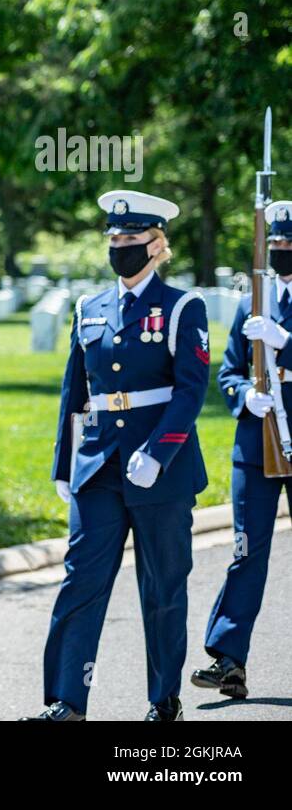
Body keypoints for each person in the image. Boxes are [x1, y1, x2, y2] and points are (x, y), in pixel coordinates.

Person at [28, 190, 210, 721]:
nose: (121, 248)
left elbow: (190, 390)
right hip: (99, 466)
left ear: (158, 246)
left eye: (132, 240)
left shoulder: (182, 307)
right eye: (115, 239)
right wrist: (65, 465)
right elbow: (74, 392)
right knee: (81, 579)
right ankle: (67, 700)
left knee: (162, 585)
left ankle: (163, 699)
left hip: (161, 471)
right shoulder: (91, 308)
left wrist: (160, 451)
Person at [192, 199, 292, 700]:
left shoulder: (275, 314)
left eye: (288, 246)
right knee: (246, 551)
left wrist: (287, 341)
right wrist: (243, 397)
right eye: (274, 245)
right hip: (257, 444)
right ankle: (230, 661)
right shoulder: (252, 300)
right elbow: (229, 369)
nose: (280, 253)